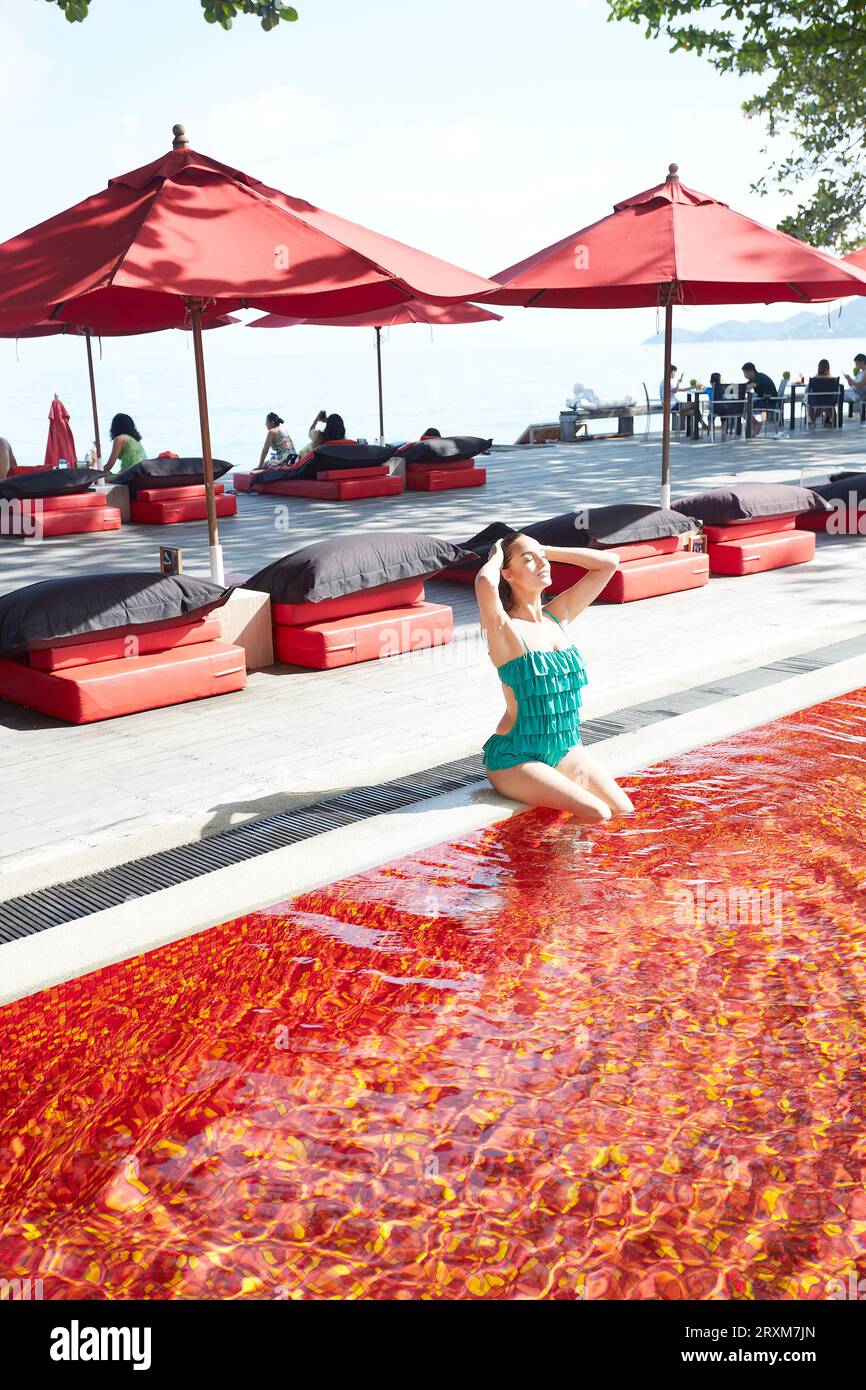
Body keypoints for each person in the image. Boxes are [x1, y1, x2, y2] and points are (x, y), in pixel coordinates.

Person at [474, 531, 634, 822]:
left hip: (565, 748)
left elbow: (608, 563)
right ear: (507, 574)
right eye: (528, 560)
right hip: (516, 758)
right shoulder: (504, 629)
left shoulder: (556, 616)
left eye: (541, 557)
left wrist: (544, 550)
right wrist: (497, 554)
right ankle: (558, 865)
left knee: (623, 811)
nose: (541, 563)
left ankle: (572, 860)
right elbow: (485, 582)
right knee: (596, 812)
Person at [742, 362, 779, 436]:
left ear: (751, 372)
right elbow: (744, 386)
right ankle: (755, 424)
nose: (744, 376)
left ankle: (755, 424)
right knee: (743, 406)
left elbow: (748, 387)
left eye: (745, 373)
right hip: (764, 400)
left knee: (743, 407)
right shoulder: (755, 378)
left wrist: (733, 390)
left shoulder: (760, 377)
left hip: (769, 402)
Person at [807, 359, 837, 428]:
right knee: (825, 403)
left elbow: (808, 390)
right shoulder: (833, 379)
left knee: (810, 404)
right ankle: (835, 421)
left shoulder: (814, 379)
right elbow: (835, 390)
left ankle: (813, 422)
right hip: (829, 401)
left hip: (816, 401)